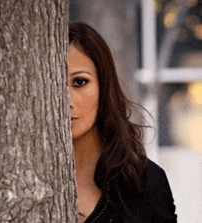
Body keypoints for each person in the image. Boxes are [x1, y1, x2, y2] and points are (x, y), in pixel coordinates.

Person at [69, 22, 177, 223]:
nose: (66, 100)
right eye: (54, 84)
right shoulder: (15, 178)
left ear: (104, 86)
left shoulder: (144, 182)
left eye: (80, 82)